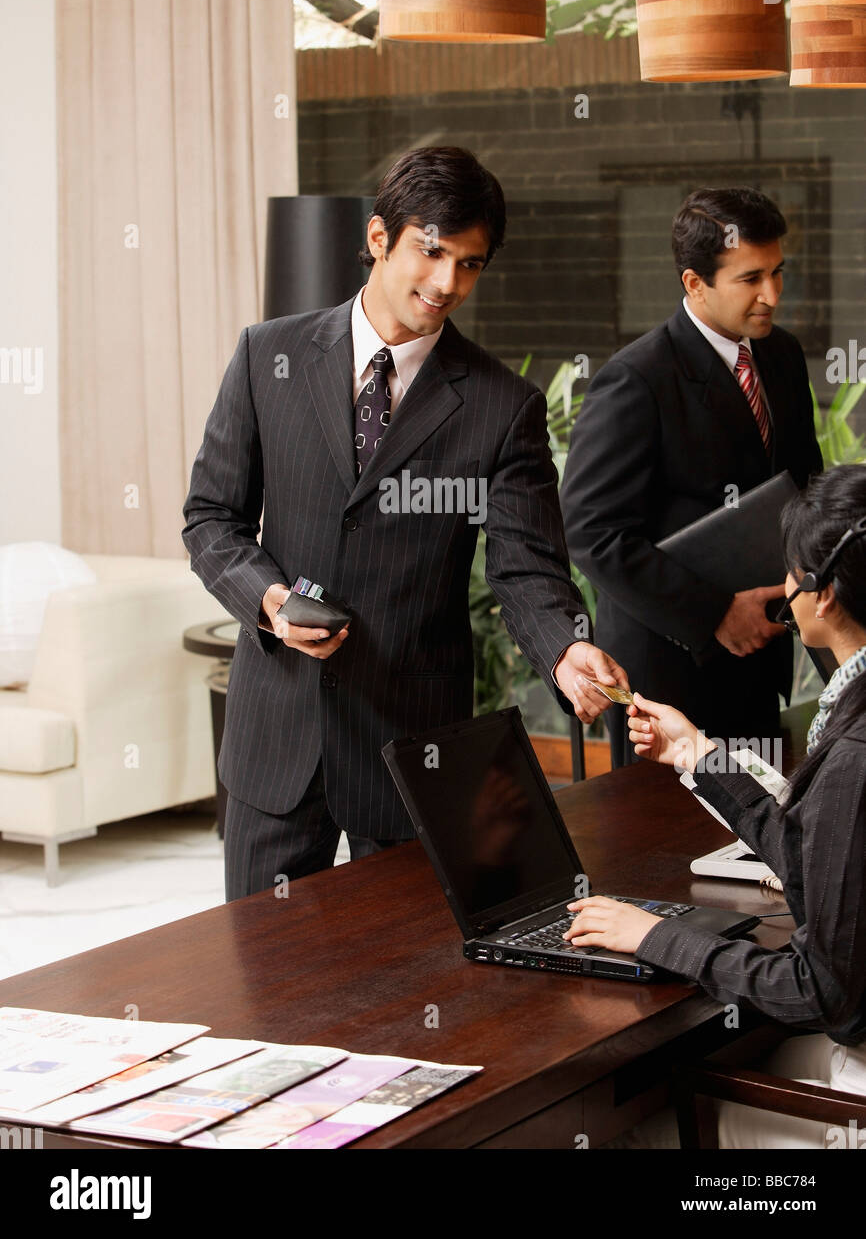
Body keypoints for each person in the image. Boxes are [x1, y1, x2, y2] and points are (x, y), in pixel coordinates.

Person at [182, 146, 628, 902]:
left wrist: (564, 649)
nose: (448, 282)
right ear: (380, 237)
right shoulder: (267, 356)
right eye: (432, 251)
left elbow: (526, 569)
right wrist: (270, 601)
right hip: (277, 738)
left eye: (470, 264)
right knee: (260, 966)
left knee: (404, 967)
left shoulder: (502, 405)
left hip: (411, 746)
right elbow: (211, 518)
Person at [564, 465, 866, 1148]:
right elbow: (821, 860)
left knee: (631, 1133)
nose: (783, 588)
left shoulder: (853, 753)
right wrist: (697, 754)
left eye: (791, 573)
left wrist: (656, 938)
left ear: (825, 595)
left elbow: (820, 992)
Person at [560, 188, 823, 768]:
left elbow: (805, 485)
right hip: (671, 673)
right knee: (663, 830)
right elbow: (593, 534)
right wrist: (716, 615)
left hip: (763, 653)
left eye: (778, 272)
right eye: (751, 278)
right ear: (694, 283)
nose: (772, 294)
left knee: (761, 819)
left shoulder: (781, 355)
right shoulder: (636, 378)